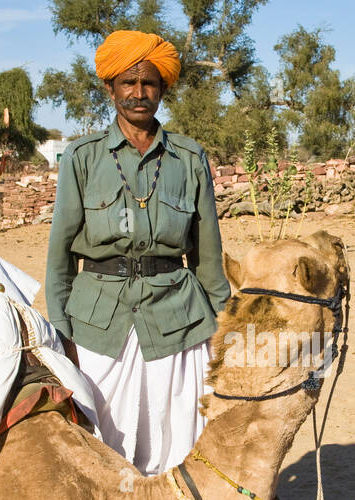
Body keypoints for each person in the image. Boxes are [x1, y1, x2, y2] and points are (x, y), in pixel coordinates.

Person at [45, 30, 230, 476]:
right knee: (100, 446)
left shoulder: (189, 158)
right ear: (110, 88)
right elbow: (60, 256)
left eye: (149, 83)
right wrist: (61, 332)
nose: (139, 93)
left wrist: (227, 329)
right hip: (98, 325)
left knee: (176, 442)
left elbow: (208, 257)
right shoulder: (82, 157)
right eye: (128, 83)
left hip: (178, 320)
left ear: (163, 89)